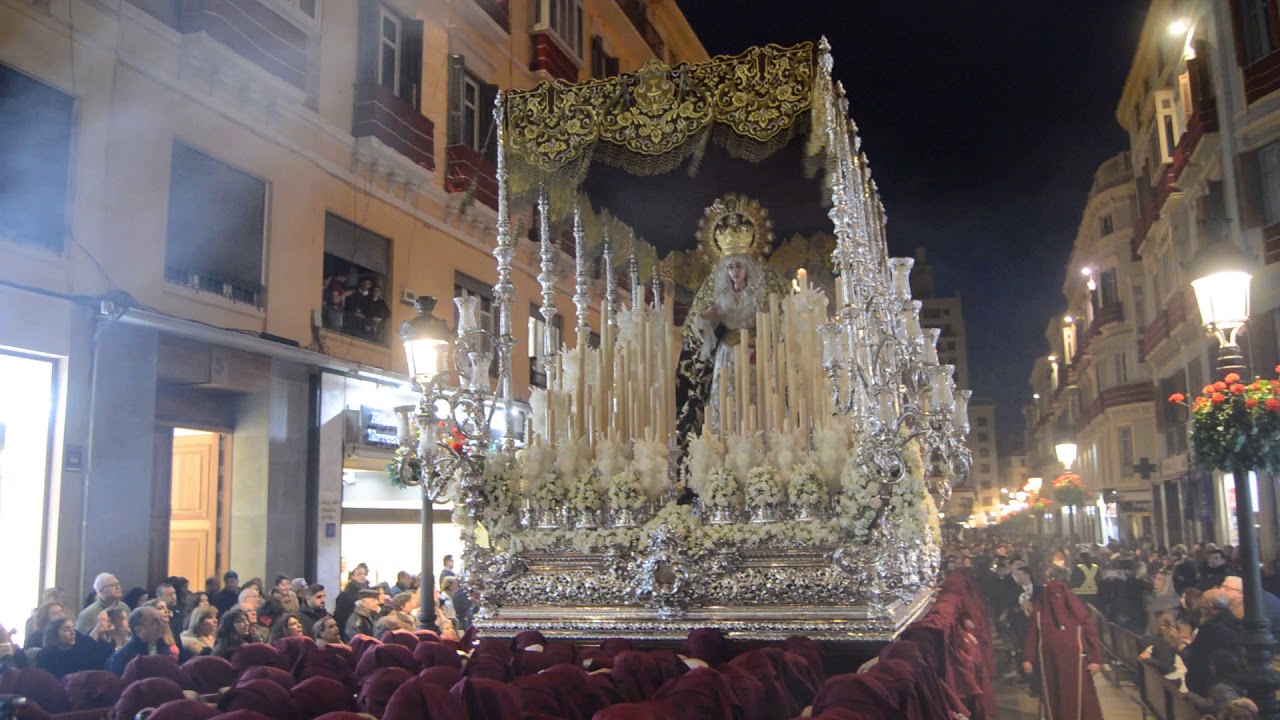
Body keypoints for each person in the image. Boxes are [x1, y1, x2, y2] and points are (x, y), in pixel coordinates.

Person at [1022, 580, 1103, 720]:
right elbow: (1032, 637)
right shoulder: (1040, 614)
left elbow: (1091, 636)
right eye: (1052, 596)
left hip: (1077, 665)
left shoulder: (1078, 613)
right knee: (1054, 697)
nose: (1056, 600)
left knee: (1081, 701)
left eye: (1059, 595)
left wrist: (1095, 660)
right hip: (1050, 665)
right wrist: (1028, 659)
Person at [1183, 589, 1243, 696]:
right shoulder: (1234, 623)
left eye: (1202, 606)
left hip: (1209, 685)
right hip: (1231, 682)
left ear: (1209, 605)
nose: (1201, 610)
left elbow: (1197, 657)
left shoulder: (1211, 629)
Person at [34, 618, 112, 679]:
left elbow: (101, 662)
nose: (73, 633)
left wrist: (107, 638)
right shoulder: (45, 655)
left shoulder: (82, 651)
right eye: (67, 630)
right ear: (54, 634)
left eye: (73, 628)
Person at [106, 606, 175, 674]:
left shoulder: (164, 648)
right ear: (139, 631)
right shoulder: (122, 658)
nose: (162, 624)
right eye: (155, 622)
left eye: (161, 620)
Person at [333, 565, 368, 639]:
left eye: (364, 574)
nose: (362, 576)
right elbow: (340, 617)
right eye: (359, 574)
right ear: (352, 577)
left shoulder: (367, 592)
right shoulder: (347, 594)